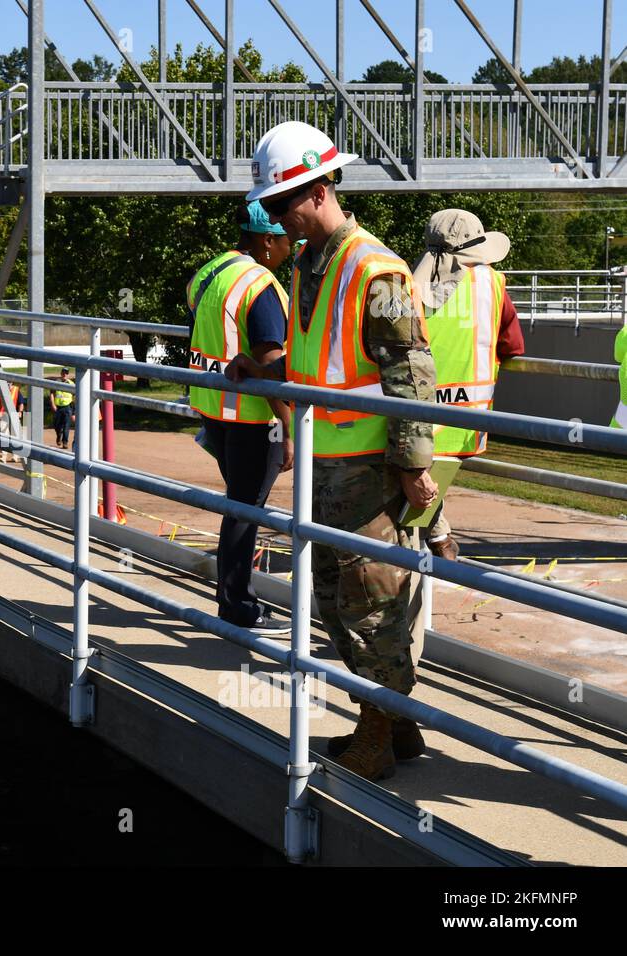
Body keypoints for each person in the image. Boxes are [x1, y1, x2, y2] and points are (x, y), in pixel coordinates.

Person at [227, 120, 438, 782]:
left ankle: (378, 730)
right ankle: (395, 724)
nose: (279, 220)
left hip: (371, 469)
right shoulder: (309, 263)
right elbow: (325, 361)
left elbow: (411, 370)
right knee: (331, 597)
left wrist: (412, 469)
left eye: (285, 204)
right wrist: (262, 368)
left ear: (318, 189)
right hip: (325, 461)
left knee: (370, 600)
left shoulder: (375, 268)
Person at [188, 200, 295, 636]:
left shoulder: (211, 272)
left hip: (214, 410)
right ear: (267, 241)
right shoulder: (260, 284)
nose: (291, 247)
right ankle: (237, 606)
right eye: (287, 240)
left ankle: (236, 597)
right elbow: (271, 363)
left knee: (238, 507)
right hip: (254, 419)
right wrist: (289, 427)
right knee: (245, 511)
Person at [412, 209, 526, 560]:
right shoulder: (491, 282)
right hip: (466, 414)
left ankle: (437, 536)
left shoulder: (407, 281)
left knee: (415, 487)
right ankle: (438, 538)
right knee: (422, 493)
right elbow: (514, 347)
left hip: (413, 409)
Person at [51, 368, 74, 448]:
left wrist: (74, 411)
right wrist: (53, 404)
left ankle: (65, 442)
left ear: (68, 374)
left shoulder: (71, 384)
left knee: (66, 426)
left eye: (66, 373)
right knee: (57, 425)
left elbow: (75, 397)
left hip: (67, 407)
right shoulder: (56, 382)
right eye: (63, 373)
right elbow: (52, 394)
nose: (64, 374)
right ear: (61, 373)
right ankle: (59, 436)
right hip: (58, 407)